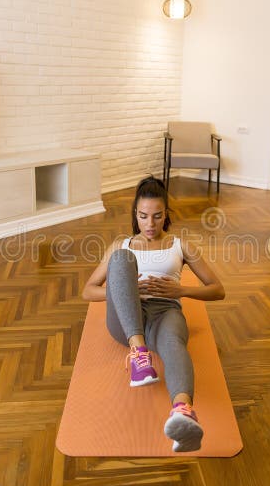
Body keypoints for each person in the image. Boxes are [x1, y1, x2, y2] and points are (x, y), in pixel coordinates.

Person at [82, 176, 225, 452]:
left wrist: (180, 290)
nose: (150, 223)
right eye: (143, 216)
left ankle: (183, 414)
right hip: (125, 319)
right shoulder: (121, 244)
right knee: (122, 261)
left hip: (165, 311)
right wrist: (125, 291)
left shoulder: (180, 245)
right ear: (135, 215)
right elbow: (88, 291)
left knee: (173, 343)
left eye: (157, 216)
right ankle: (139, 355)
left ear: (166, 215)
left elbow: (218, 290)